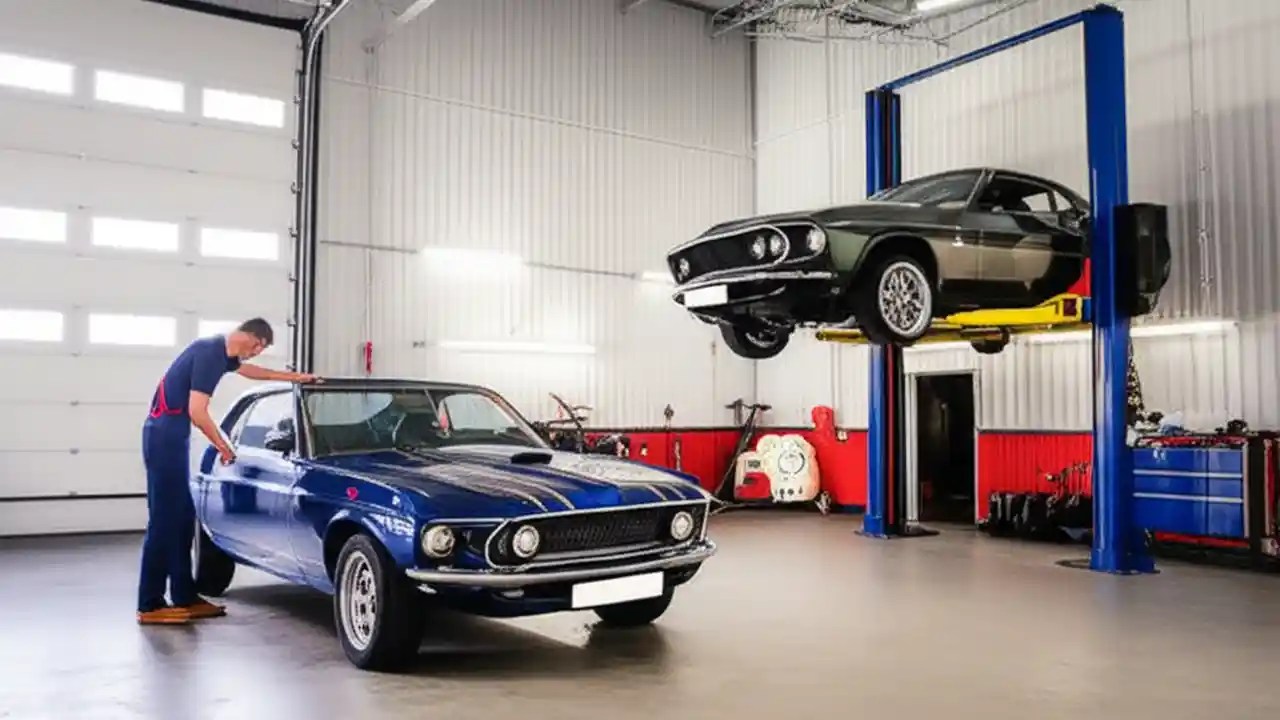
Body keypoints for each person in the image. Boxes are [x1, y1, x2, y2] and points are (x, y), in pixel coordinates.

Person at [136, 318, 319, 625]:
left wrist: (295, 377)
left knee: (182, 518)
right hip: (164, 434)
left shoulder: (221, 354)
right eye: (257, 348)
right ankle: (150, 603)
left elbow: (251, 372)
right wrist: (223, 445)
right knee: (165, 520)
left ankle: (184, 595)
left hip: (171, 433)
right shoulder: (210, 352)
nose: (254, 355)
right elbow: (197, 411)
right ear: (253, 339)